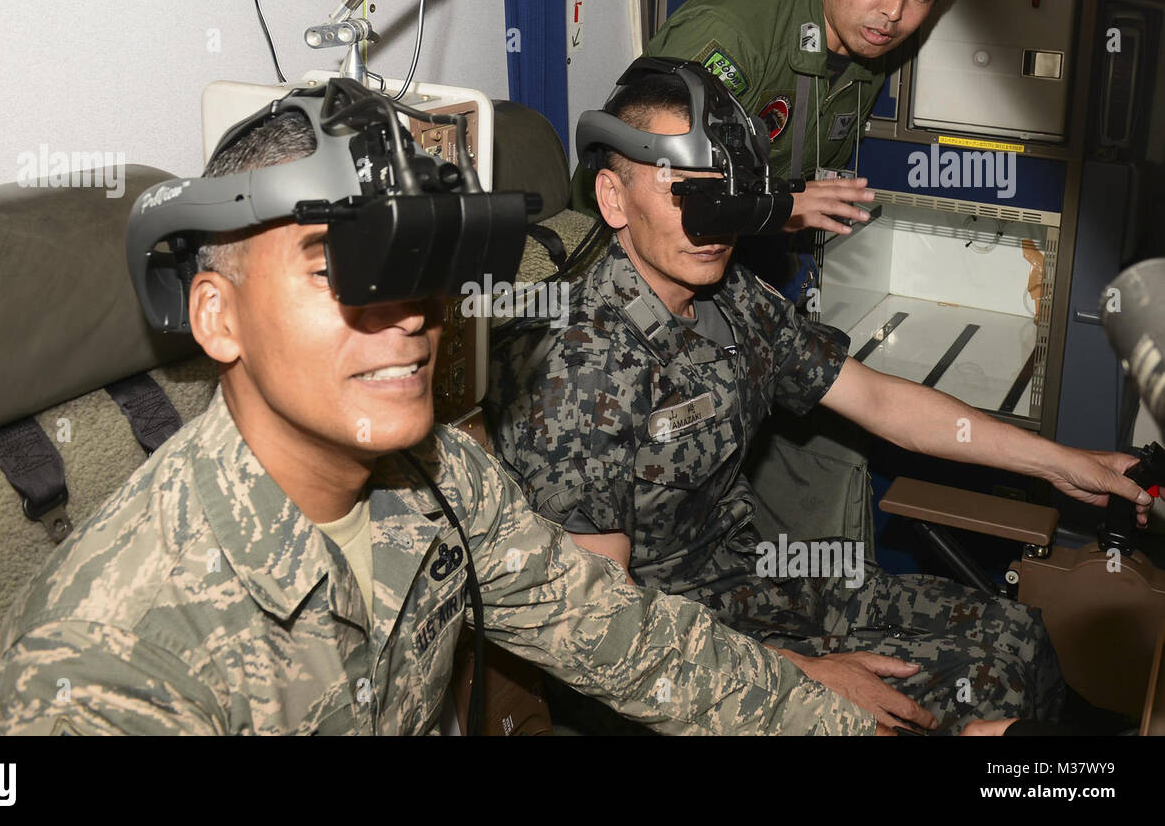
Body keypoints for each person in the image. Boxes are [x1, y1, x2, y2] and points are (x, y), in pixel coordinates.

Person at [0, 85, 878, 736]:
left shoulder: (440, 480)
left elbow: (638, 644)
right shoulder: (101, 663)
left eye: (424, 264)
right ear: (217, 316)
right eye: (341, 264)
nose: (410, 311)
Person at [488, 69, 1155, 733]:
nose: (716, 217)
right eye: (685, 190)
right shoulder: (577, 367)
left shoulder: (727, 295)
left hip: (752, 581)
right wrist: (794, 677)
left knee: (1016, 636)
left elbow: (877, 398)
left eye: (730, 190)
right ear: (613, 197)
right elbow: (605, 629)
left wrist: (1065, 463)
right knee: (980, 686)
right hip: (678, 658)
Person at [571, 0, 964, 286]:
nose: (894, 10)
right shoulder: (734, 34)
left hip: (727, 247)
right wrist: (780, 206)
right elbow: (651, 186)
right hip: (621, 253)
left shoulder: (870, 57)